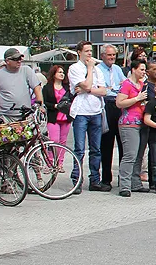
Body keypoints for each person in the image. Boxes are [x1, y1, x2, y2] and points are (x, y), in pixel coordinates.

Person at [69, 41, 109, 191]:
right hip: (81, 112)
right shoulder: (75, 68)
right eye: (86, 51)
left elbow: (104, 91)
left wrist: (88, 89)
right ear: (79, 52)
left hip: (96, 111)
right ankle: (77, 179)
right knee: (79, 148)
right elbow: (85, 85)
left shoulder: (98, 70)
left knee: (96, 149)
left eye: (91, 51)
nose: (90, 54)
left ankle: (95, 180)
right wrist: (90, 70)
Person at [113, 59, 150, 197]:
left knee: (139, 155)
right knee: (130, 154)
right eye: (141, 69)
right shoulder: (126, 85)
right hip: (129, 123)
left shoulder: (142, 84)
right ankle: (125, 185)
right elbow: (119, 103)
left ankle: (135, 182)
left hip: (142, 122)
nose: (143, 72)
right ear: (133, 69)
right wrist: (136, 98)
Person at [96, 45, 127, 187]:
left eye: (114, 55)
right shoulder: (98, 69)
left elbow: (125, 85)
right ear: (102, 55)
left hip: (119, 105)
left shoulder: (118, 69)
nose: (112, 58)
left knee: (122, 143)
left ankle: (124, 178)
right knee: (106, 144)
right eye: (109, 55)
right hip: (106, 105)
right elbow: (100, 89)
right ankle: (106, 179)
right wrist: (112, 89)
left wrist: (111, 88)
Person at [0, 48, 43, 119]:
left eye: (20, 58)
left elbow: (37, 88)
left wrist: (40, 106)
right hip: (5, 117)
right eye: (16, 59)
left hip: (25, 115)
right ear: (7, 61)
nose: (19, 61)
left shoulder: (27, 70)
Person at [42, 65, 72, 158]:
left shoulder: (68, 87)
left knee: (63, 141)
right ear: (54, 74)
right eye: (59, 72)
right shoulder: (47, 88)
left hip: (65, 117)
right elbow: (45, 102)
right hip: (53, 117)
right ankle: (51, 161)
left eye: (63, 72)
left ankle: (60, 163)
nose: (62, 74)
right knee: (54, 140)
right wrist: (55, 106)